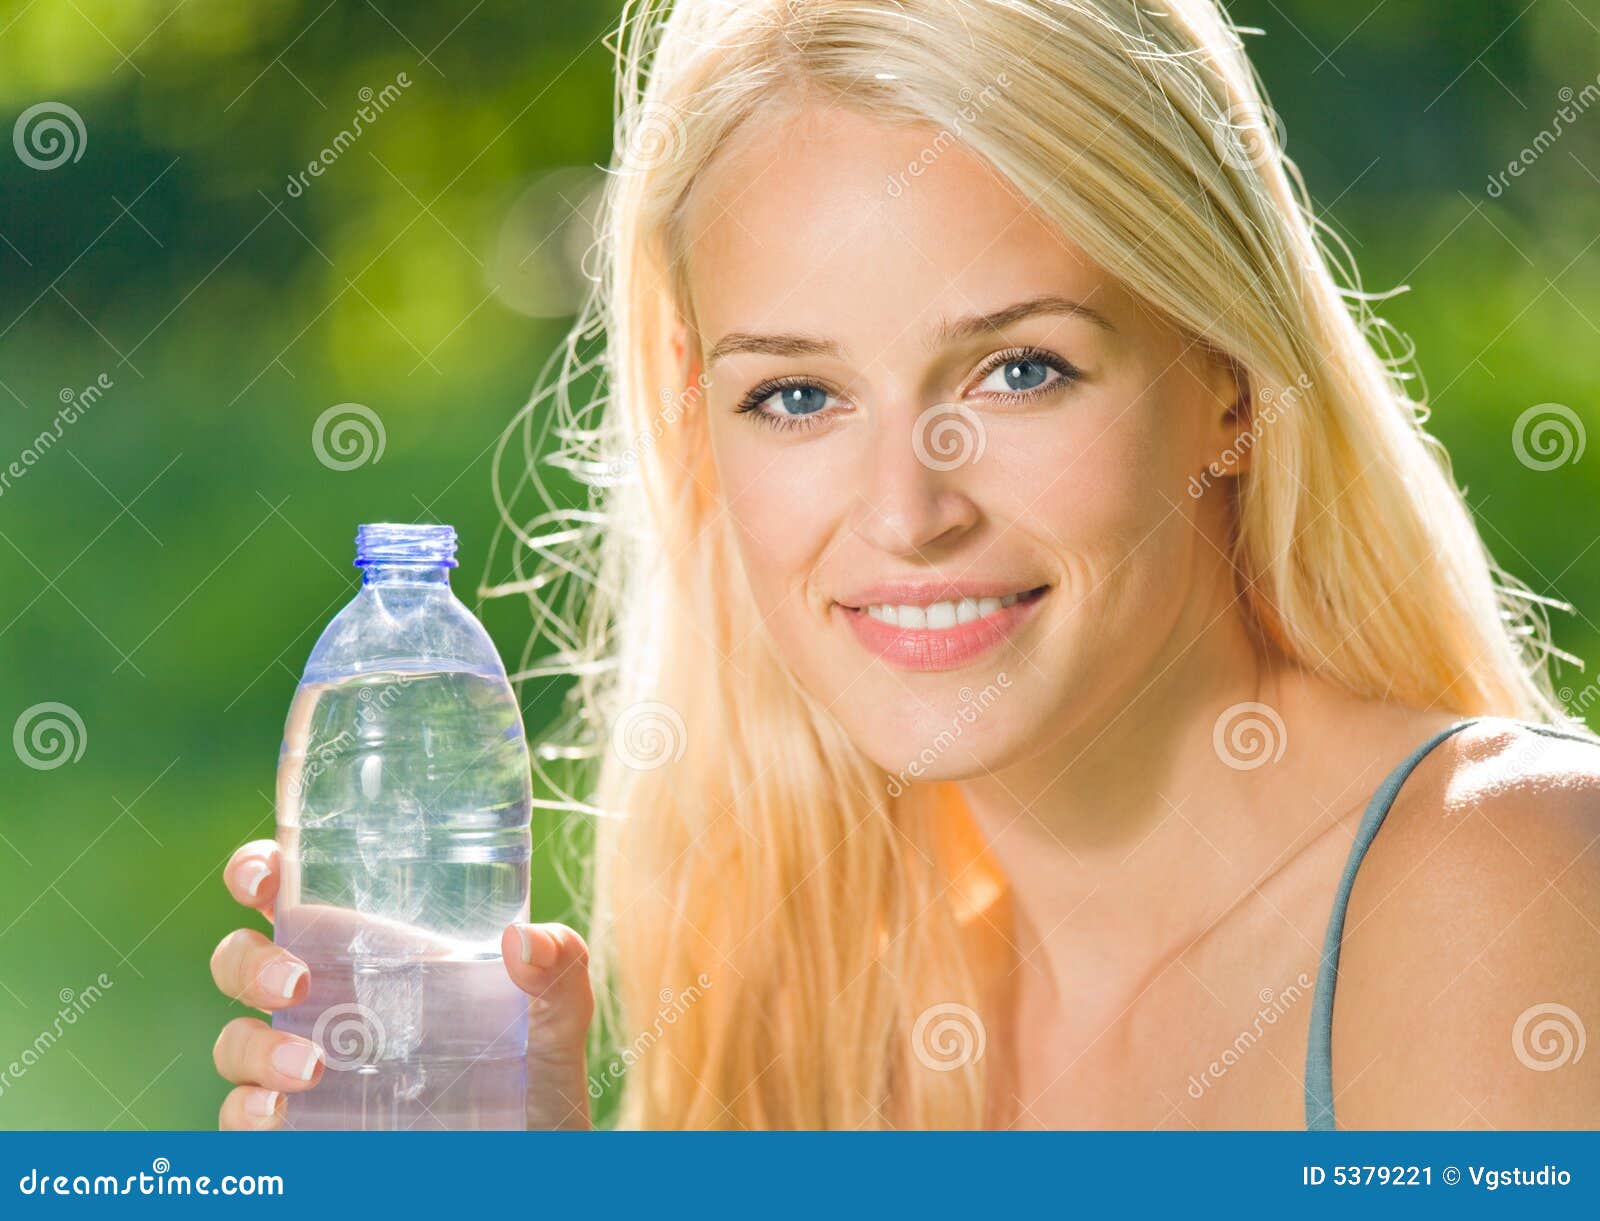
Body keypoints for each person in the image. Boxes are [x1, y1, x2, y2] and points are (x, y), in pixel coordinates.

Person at [210, 0, 1600, 1130]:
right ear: (703, 425)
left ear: (1229, 384)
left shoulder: (1510, 886)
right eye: (798, 396)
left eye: (1019, 368)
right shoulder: (832, 1021)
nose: (906, 510)